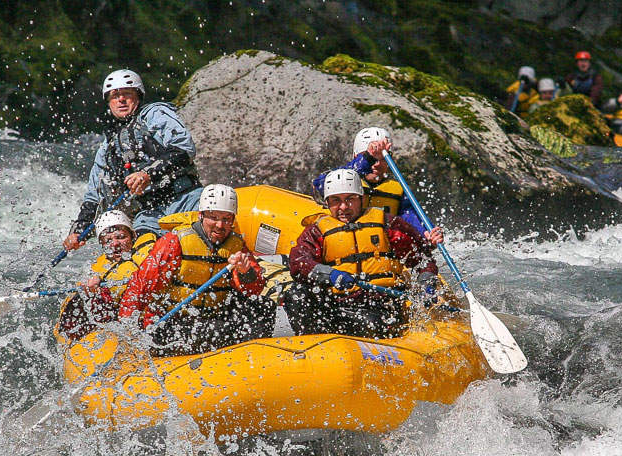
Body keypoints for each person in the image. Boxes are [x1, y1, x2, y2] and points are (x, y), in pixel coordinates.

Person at [283, 169, 445, 339]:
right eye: (336, 200)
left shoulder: (387, 224)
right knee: (296, 294)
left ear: (361, 199)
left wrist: (426, 283)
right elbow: (299, 262)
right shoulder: (316, 231)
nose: (343, 207)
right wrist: (329, 274)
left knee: (370, 323)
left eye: (350, 199)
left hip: (379, 306)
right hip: (336, 305)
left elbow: (423, 258)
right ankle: (314, 345)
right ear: (327, 203)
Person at [118, 184, 275, 356]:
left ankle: (251, 359)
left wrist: (246, 273)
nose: (220, 225)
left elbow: (254, 289)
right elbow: (141, 286)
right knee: (211, 330)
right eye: (213, 217)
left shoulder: (236, 246)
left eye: (226, 219)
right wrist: (129, 329)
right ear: (201, 215)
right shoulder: (175, 241)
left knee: (264, 306)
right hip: (171, 323)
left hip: (212, 320)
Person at [64, 69, 202, 251]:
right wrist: (78, 230)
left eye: (127, 94)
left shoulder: (154, 114)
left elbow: (184, 149)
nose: (121, 99)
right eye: (115, 96)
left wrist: (148, 174)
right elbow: (94, 197)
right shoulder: (107, 147)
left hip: (185, 197)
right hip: (149, 212)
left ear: (138, 96)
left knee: (204, 230)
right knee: (142, 252)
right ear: (109, 102)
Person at [58, 210, 156, 341]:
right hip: (122, 322)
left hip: (153, 317)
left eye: (121, 237)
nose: (115, 244)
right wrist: (91, 291)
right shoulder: (98, 269)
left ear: (132, 236)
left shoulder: (149, 249)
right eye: (108, 240)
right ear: (102, 245)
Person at [309, 126, 425, 233]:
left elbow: (413, 223)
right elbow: (319, 185)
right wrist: (367, 159)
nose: (377, 164)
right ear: (357, 157)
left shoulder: (399, 190)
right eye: (373, 158)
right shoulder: (340, 180)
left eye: (383, 158)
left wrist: (427, 234)